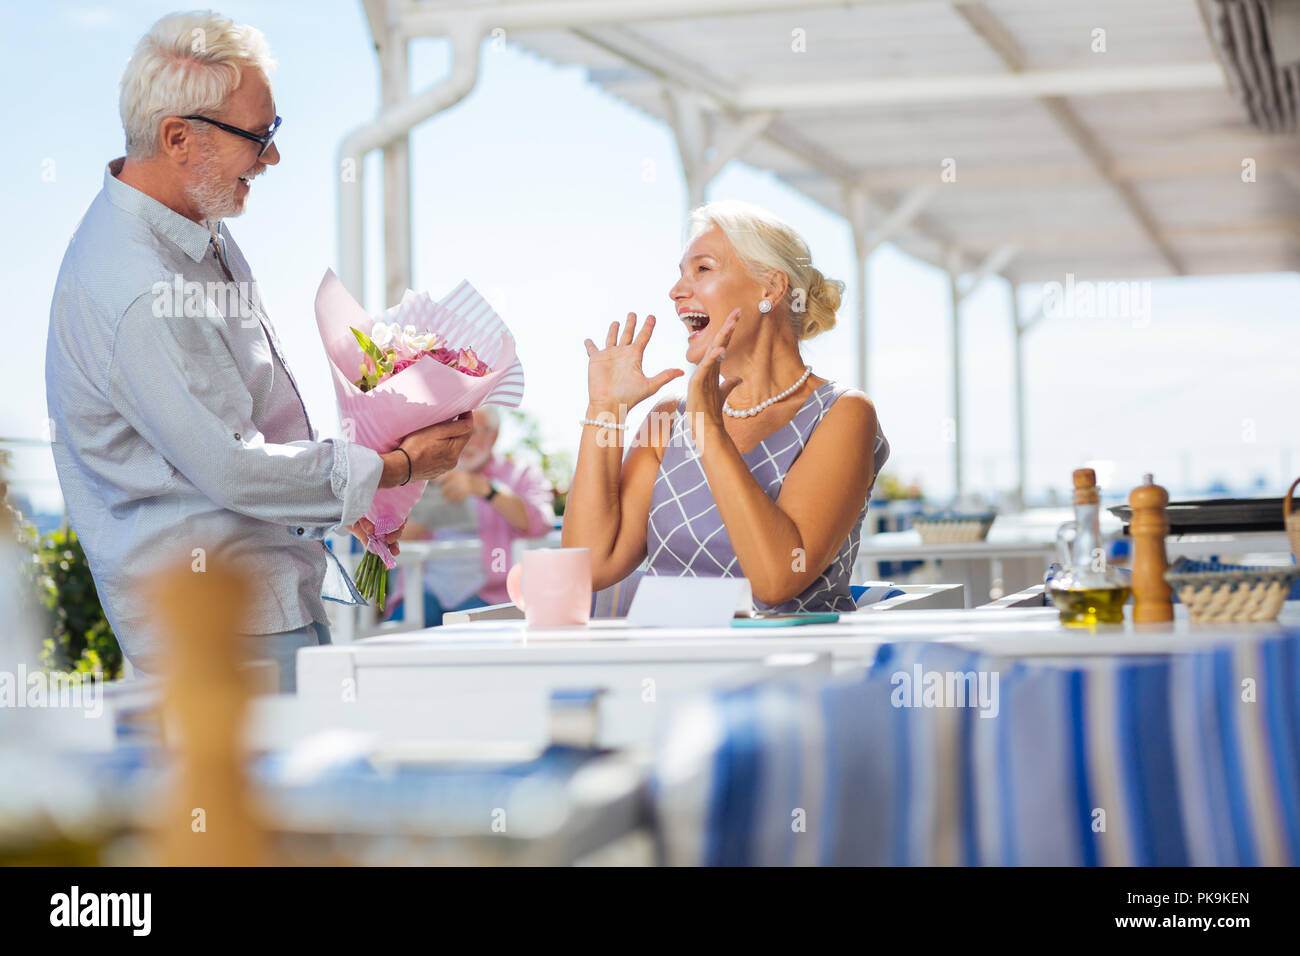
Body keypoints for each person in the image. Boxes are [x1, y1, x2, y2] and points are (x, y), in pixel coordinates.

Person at [44, 12, 471, 689]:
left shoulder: (194, 229)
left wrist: (355, 490)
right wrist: (391, 467)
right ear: (178, 138)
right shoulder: (137, 286)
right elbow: (235, 467)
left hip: (263, 606)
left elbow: (249, 426)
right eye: (259, 137)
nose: (272, 158)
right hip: (221, 636)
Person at [562, 200, 890, 613]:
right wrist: (606, 410)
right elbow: (589, 567)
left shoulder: (843, 414)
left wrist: (709, 432)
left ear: (769, 288)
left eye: (703, 269)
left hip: (786, 669)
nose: (677, 291)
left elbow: (775, 581)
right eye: (680, 274)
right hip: (664, 667)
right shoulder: (667, 421)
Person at [388, 406, 554, 624]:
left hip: (490, 592)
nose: (463, 442)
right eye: (455, 434)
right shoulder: (421, 473)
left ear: (493, 435)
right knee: (403, 636)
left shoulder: (520, 474)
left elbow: (539, 524)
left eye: (472, 432)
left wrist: (486, 489)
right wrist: (424, 519)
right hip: (425, 587)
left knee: (467, 634)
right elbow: (390, 541)